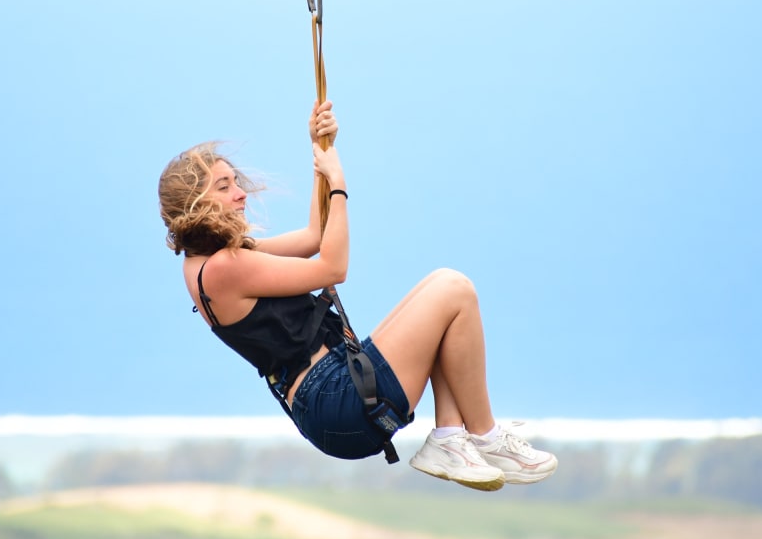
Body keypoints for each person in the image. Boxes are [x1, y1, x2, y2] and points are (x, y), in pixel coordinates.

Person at [157, 101, 557, 491]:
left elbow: (314, 236)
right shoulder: (227, 268)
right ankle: (486, 437)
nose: (240, 194)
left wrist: (321, 153)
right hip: (336, 399)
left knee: (441, 303)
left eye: (236, 183)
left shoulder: (206, 264)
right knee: (454, 289)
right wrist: (340, 183)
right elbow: (333, 267)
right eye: (224, 187)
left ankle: (450, 437)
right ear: (194, 203)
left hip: (330, 400)